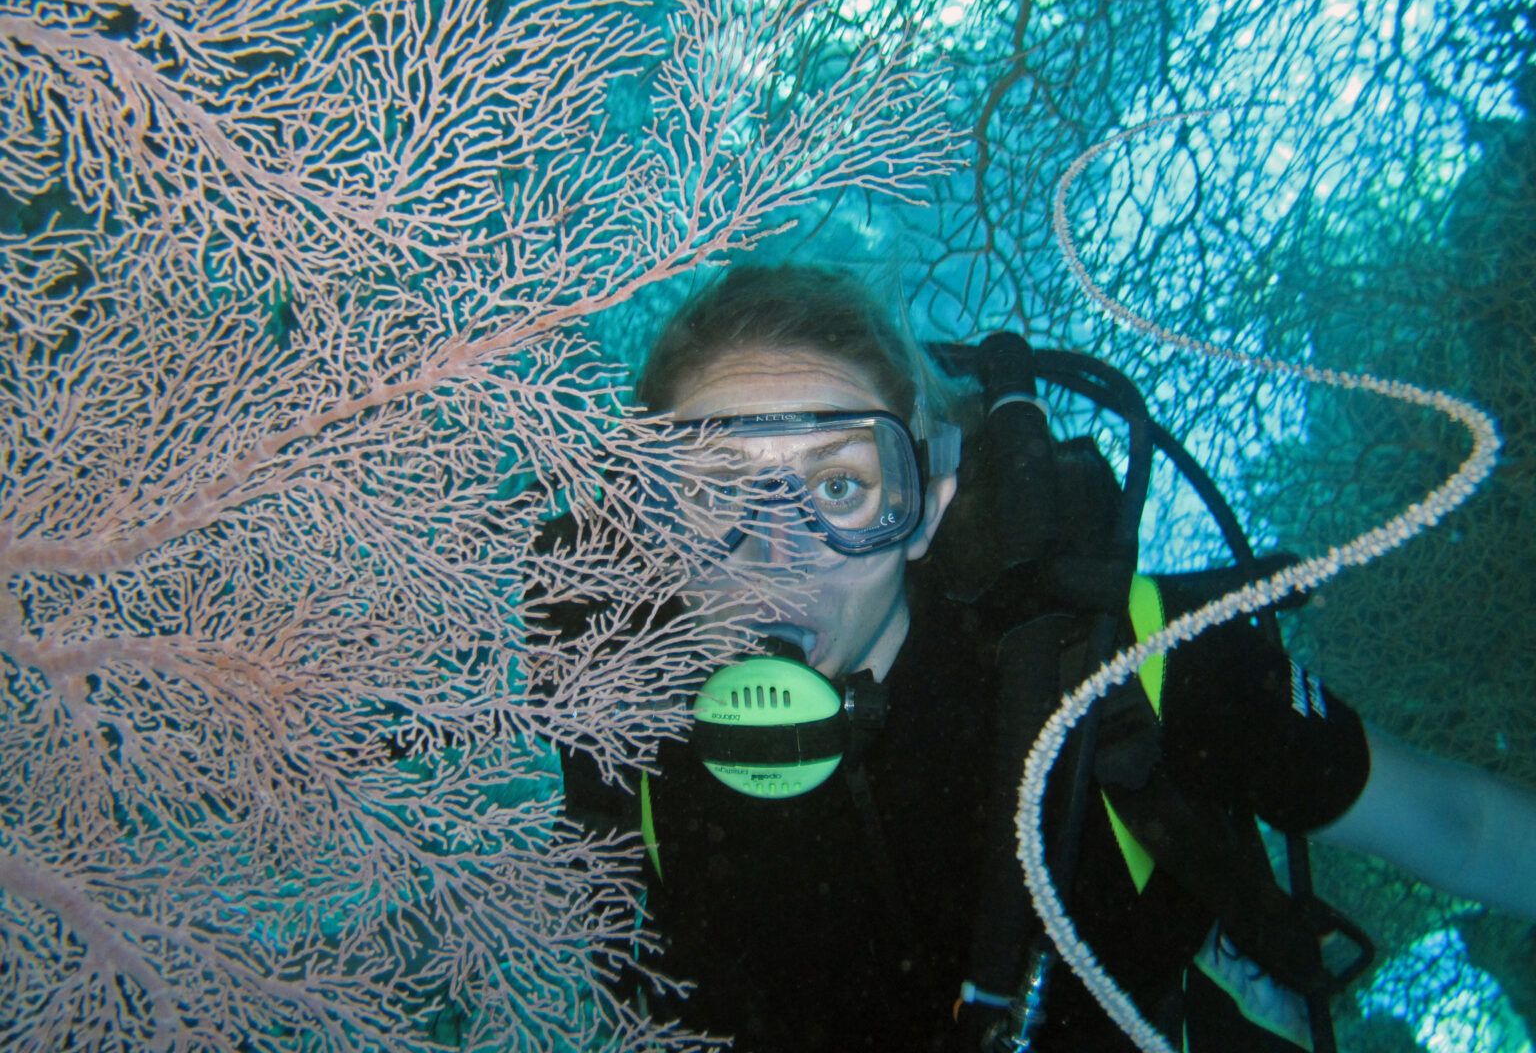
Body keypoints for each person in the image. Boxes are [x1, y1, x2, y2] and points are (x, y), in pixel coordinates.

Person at [560, 264, 1536, 1052]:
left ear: (929, 505)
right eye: (714, 496)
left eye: (842, 489)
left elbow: (1466, 828)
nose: (780, 558)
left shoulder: (1115, 663)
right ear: (649, 526)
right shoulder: (616, 737)